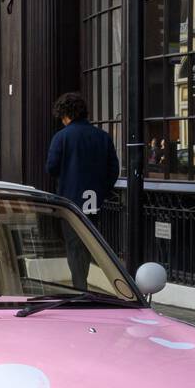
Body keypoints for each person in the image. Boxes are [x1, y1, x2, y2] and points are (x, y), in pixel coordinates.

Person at [44, 92, 120, 290]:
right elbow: (113, 170)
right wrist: (102, 190)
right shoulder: (102, 137)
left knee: (74, 244)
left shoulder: (61, 137)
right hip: (94, 199)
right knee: (91, 242)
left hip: (69, 200)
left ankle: (80, 287)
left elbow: (51, 167)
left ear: (65, 115)